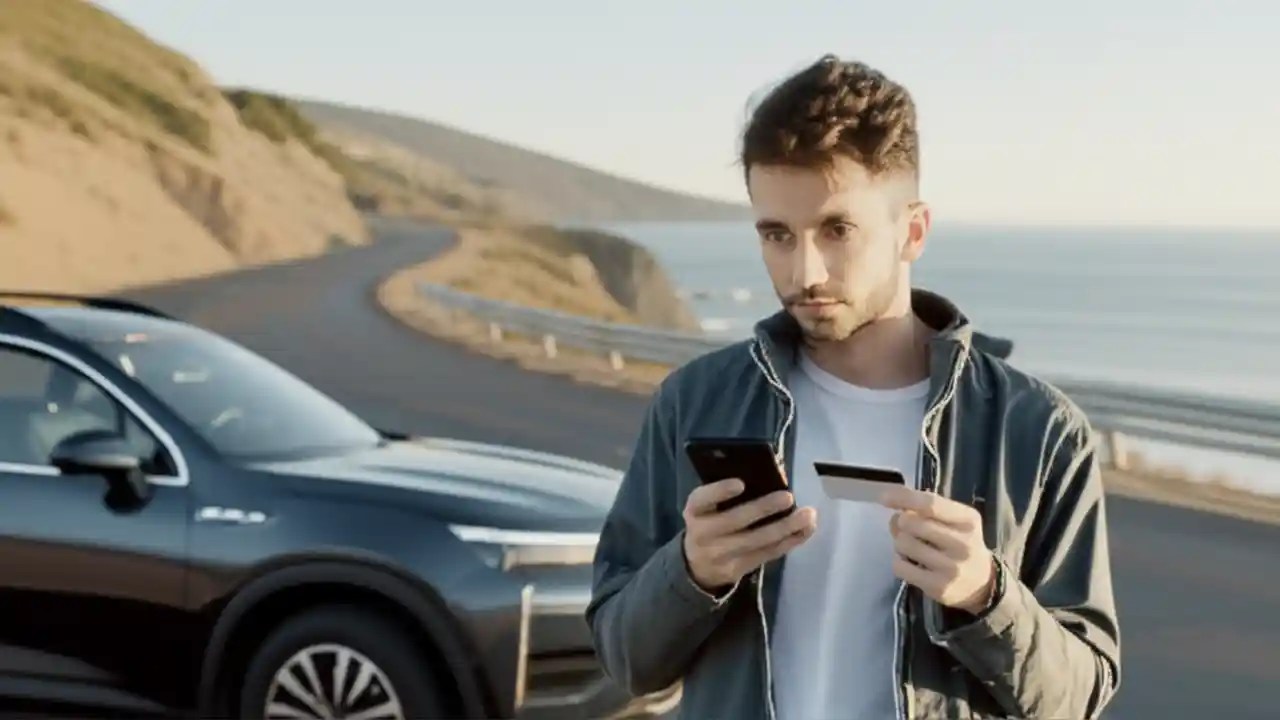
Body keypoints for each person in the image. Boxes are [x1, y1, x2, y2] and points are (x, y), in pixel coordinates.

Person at [586, 54, 1121, 720]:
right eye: (778, 234)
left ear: (913, 231)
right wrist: (692, 572)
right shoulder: (695, 401)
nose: (804, 270)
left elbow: (1079, 697)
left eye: (837, 230)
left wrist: (987, 596)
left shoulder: (1037, 431)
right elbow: (624, 658)